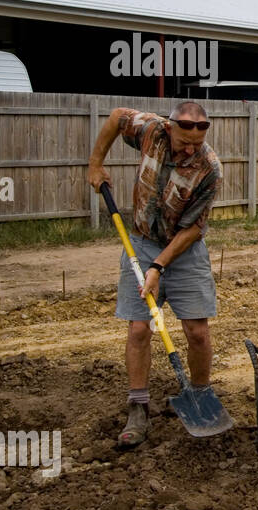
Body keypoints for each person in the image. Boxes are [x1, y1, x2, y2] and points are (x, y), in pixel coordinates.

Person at [87, 102, 222, 447]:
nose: (190, 150)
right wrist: (96, 164)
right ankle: (138, 406)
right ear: (170, 128)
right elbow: (117, 116)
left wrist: (158, 267)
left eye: (197, 143)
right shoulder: (151, 131)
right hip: (142, 242)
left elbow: (192, 230)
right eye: (184, 143)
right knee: (139, 327)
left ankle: (201, 395)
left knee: (196, 331)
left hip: (184, 250)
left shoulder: (209, 168)